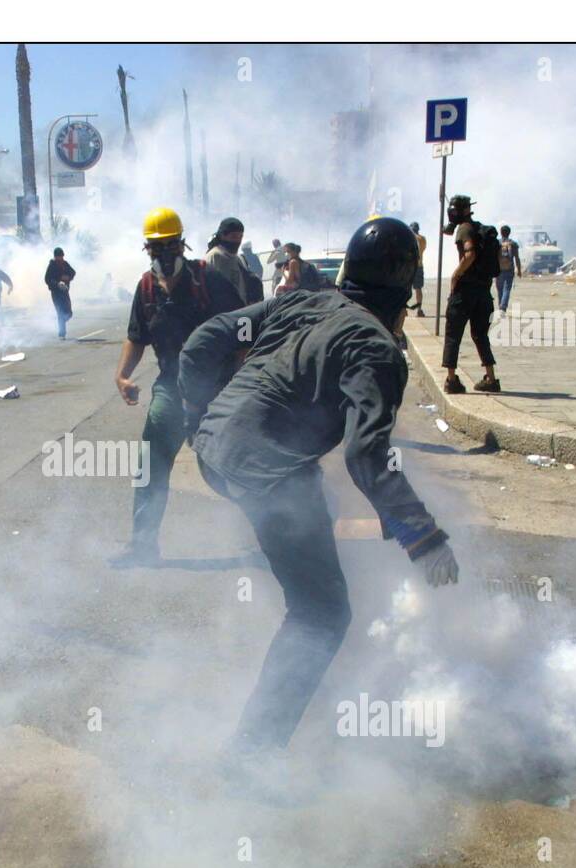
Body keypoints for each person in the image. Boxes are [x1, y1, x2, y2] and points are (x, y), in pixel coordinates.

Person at [180, 217, 457, 758]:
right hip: (267, 474)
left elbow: (201, 343)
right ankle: (251, 755)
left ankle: (303, 660)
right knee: (322, 612)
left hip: (213, 451)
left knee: (313, 503)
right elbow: (366, 458)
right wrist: (422, 538)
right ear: (405, 295)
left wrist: (201, 418)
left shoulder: (298, 302)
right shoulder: (377, 349)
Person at [110, 206, 245, 566]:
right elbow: (135, 337)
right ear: (147, 251)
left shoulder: (209, 282)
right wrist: (123, 375)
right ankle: (142, 546)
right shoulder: (146, 288)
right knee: (151, 463)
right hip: (171, 388)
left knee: (226, 468)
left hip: (217, 389)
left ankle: (275, 529)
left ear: (182, 246)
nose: (164, 255)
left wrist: (241, 378)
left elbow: (245, 330)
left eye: (170, 247)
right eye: (156, 249)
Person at [441, 194, 500, 393]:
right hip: (483, 292)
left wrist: (455, 275)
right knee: (480, 335)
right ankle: (491, 379)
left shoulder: (464, 229)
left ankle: (452, 380)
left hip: (465, 292)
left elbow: (470, 254)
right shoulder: (479, 229)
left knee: (453, 335)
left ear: (464, 210)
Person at [205, 216, 262, 304]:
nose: (237, 240)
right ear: (223, 236)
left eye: (240, 237)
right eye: (233, 236)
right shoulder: (216, 256)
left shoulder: (238, 258)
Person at [44, 247, 76, 339]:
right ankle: (62, 333)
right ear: (55, 257)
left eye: (61, 256)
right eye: (58, 256)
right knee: (60, 312)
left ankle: (63, 320)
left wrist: (67, 277)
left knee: (69, 313)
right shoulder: (52, 266)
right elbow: (47, 279)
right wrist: (57, 283)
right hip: (56, 293)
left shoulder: (65, 264)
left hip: (65, 291)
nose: (60, 258)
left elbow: (73, 272)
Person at [495, 225, 521, 314]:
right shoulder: (513, 244)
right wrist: (519, 270)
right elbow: (517, 258)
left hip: (498, 270)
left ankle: (500, 307)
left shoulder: (497, 243)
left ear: (501, 232)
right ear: (509, 233)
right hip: (509, 270)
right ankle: (503, 307)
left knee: (500, 289)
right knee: (507, 289)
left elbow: (493, 257)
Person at [408, 222, 426, 317]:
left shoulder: (410, 238)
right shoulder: (423, 239)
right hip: (419, 266)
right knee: (418, 289)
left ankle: (404, 310)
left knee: (406, 287)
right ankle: (419, 309)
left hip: (410, 265)